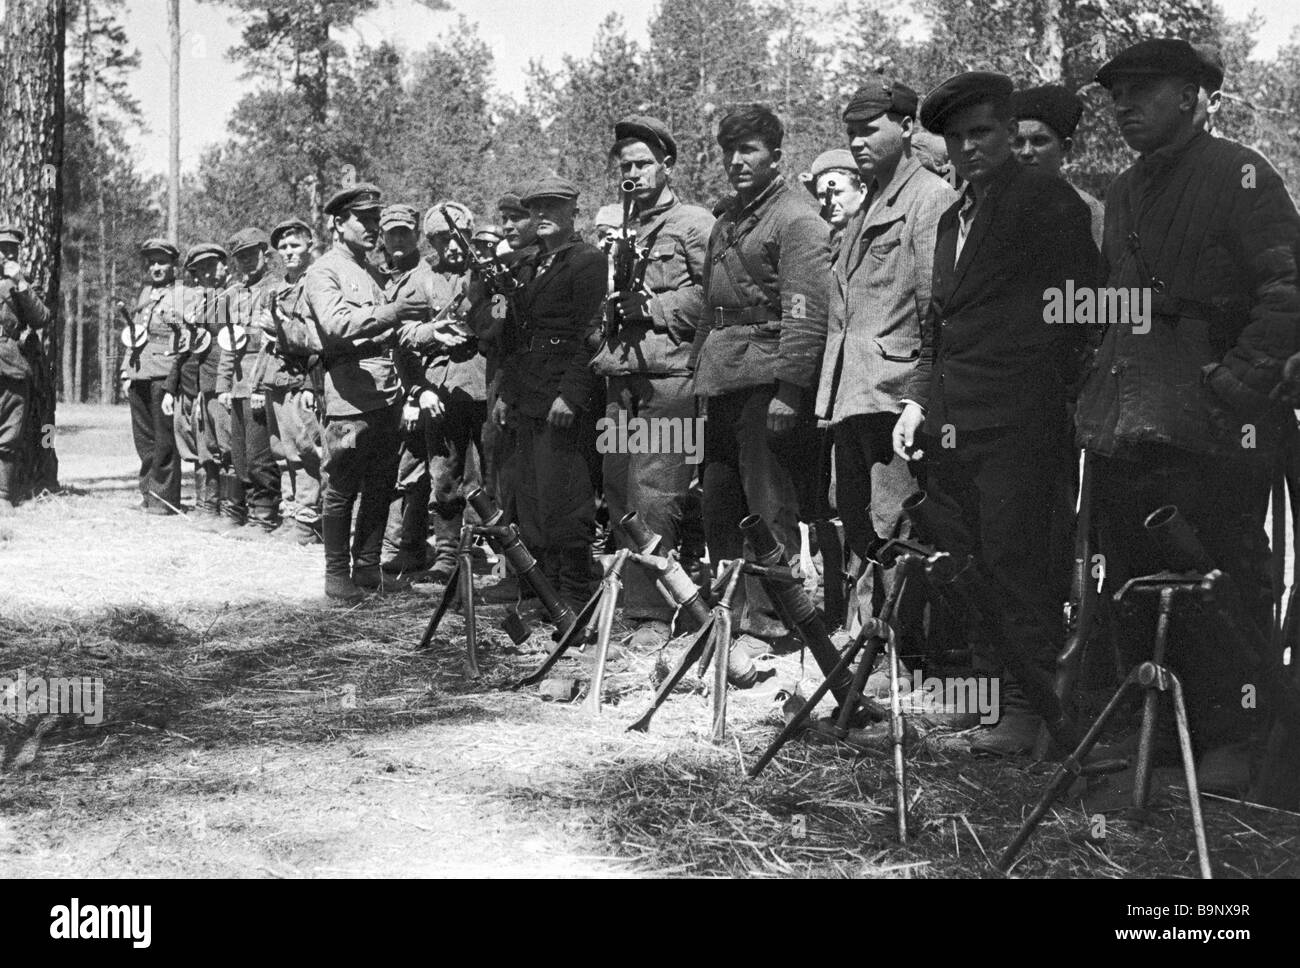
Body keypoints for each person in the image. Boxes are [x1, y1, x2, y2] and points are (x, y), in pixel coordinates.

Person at [1076, 39, 1300, 792]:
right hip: (1129, 421)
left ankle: (1233, 747)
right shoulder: (1123, 191)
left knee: (1220, 580)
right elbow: (1119, 305)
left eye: (1143, 90)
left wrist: (1241, 384)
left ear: (1193, 93)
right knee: (1138, 589)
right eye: (1116, 94)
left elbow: (1286, 290)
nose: (1123, 105)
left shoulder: (1243, 174)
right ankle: (1163, 747)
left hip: (1214, 429)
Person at [893, 71, 1099, 755]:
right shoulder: (953, 216)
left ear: (1009, 133)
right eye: (955, 137)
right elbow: (939, 324)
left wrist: (1044, 391)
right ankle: (987, 705)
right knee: (969, 567)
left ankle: (1027, 713)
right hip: (953, 424)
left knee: (1020, 569)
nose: (968, 146)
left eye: (980, 132)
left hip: (1020, 423)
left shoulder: (1046, 201)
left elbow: (1082, 308)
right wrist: (917, 404)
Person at [817, 81, 957, 641]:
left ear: (906, 126)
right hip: (853, 393)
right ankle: (870, 644)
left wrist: (919, 399)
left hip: (894, 392)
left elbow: (936, 311)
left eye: (870, 128)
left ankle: (900, 651)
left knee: (897, 525)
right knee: (858, 523)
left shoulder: (928, 199)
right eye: (851, 131)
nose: (857, 141)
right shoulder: (869, 202)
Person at [694, 103, 831, 643]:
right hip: (723, 376)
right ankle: (728, 610)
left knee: (769, 505)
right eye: (729, 150)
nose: (735, 160)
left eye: (747, 149)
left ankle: (776, 619)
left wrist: (790, 389)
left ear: (776, 156)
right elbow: (710, 304)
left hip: (768, 379)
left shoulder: (796, 218)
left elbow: (804, 308)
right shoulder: (727, 219)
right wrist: (696, 370)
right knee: (719, 502)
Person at [591, 115, 716, 650]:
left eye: (643, 164)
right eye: (626, 167)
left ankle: (654, 613)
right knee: (618, 491)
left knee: (656, 495)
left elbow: (717, 296)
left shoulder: (694, 224)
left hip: (669, 379)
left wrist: (656, 305)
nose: (634, 174)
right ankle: (628, 598)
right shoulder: (627, 231)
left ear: (667, 166)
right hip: (622, 377)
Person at [301, 183, 428, 602]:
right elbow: (336, 324)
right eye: (365, 220)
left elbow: (391, 329)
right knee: (341, 485)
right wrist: (392, 312)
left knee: (379, 485)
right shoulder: (324, 270)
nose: (374, 229)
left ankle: (368, 569)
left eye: (377, 220)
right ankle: (337, 576)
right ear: (339, 224)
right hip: (349, 397)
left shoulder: (373, 271)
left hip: (386, 394)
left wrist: (424, 329)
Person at [491, 175, 605, 611]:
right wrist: (509, 395)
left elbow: (589, 334)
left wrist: (571, 395)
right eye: (535, 209)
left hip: (564, 398)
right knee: (534, 497)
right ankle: (545, 591)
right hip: (530, 394)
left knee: (569, 499)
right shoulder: (529, 263)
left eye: (551, 209)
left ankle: (575, 593)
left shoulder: (587, 261)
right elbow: (519, 338)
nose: (541, 217)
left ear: (573, 213)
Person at [381, 201, 486, 585]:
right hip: (441, 392)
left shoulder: (490, 275)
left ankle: (478, 550)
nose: (453, 247)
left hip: (487, 386)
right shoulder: (423, 280)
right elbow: (401, 336)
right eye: (443, 240)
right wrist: (420, 389)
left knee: (489, 475)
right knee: (444, 475)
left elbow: (508, 321)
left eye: (459, 237)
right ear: (433, 242)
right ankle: (445, 554)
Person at [253, 218, 325, 544]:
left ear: (310, 245)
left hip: (302, 377)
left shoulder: (318, 283)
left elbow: (317, 338)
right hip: (276, 378)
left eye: (295, 245)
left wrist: (278, 327)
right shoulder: (279, 288)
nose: (288, 252)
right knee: (281, 451)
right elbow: (266, 345)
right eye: (283, 247)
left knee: (305, 452)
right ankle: (290, 513)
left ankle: (309, 522)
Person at [216, 227, 281, 536]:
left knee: (259, 455)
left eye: (250, 255)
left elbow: (273, 344)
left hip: (261, 380)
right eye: (240, 257)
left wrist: (261, 386)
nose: (245, 262)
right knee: (239, 454)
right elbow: (230, 342)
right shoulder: (236, 294)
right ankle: (245, 511)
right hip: (239, 383)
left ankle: (264, 515)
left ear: (264, 255)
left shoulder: (276, 289)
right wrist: (224, 386)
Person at [121, 238, 187, 515]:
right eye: (152, 263)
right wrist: (126, 370)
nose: (156, 267)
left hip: (164, 373)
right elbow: (136, 334)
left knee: (164, 439)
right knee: (144, 438)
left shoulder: (184, 293)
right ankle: (148, 493)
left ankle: (165, 498)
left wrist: (174, 381)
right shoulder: (145, 293)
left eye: (162, 262)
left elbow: (186, 337)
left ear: (174, 264)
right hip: (140, 373)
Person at [1011, 84, 1105, 246]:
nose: (1026, 152)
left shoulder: (1088, 209)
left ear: (1065, 147)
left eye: (1039, 141)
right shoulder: (987, 203)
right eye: (1018, 142)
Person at [0, 224, 50, 511]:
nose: (7, 255)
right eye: (2, 249)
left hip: (12, 363)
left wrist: (19, 282)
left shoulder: (23, 285)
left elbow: (42, 317)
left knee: (9, 430)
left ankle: (4, 493)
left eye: (13, 250)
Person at [798, 148, 867, 235]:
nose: (830, 201)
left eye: (838, 193)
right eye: (822, 195)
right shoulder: (826, 237)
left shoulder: (872, 233)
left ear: (862, 192)